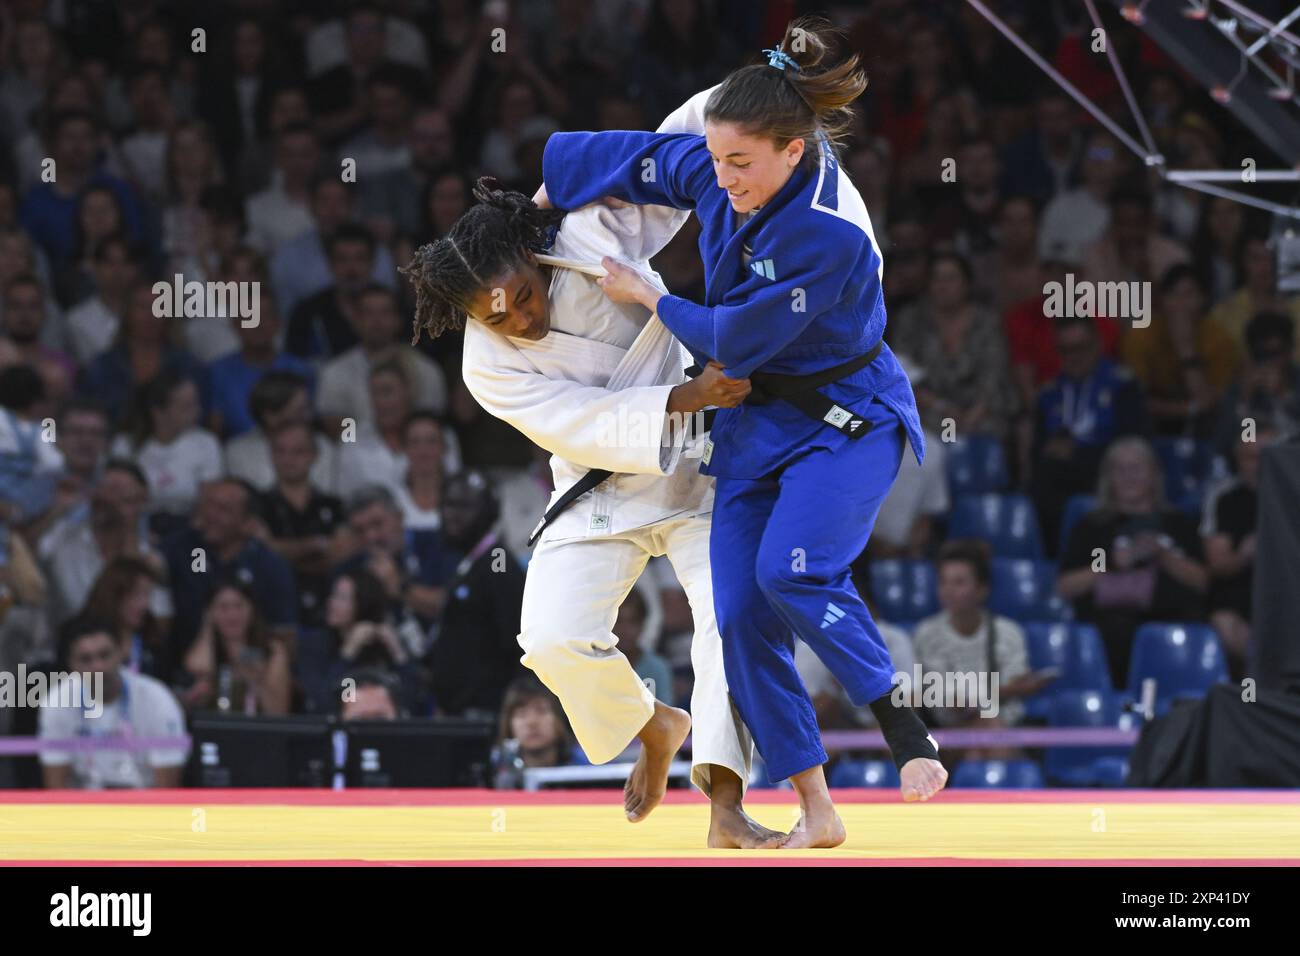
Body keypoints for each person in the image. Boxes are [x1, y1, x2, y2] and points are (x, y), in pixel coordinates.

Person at [537, 19, 947, 846]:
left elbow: (733, 338)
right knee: (738, 613)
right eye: (716, 159)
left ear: (795, 152)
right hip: (759, 422)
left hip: (847, 419)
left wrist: (648, 295)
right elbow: (630, 157)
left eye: (740, 164)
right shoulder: (722, 164)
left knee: (792, 573)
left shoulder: (831, 233)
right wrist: (544, 199)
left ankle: (906, 728)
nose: (722, 180)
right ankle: (816, 808)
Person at [402, 172, 771, 846]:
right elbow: (576, 423)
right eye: (498, 315)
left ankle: (726, 803)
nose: (522, 317)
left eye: (523, 294)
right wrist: (688, 396)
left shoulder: (584, 239)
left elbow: (671, 160)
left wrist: (733, 141)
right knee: (549, 638)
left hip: (700, 469)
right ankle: (653, 724)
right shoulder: (484, 369)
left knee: (729, 622)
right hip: (597, 481)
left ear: (530, 259)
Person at [1057, 436, 1209, 687]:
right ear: (1109, 477)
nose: (1129, 476)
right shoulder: (1091, 526)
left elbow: (1202, 582)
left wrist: (1163, 554)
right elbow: (1065, 586)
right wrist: (1110, 562)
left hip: (1171, 627)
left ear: (1154, 474)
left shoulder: (1177, 522)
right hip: (1107, 631)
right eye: (1120, 469)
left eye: (1137, 468)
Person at [38, 616, 189, 789]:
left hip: (144, 808)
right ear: (71, 664)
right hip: (84, 810)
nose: (98, 667)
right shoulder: (57, 702)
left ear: (121, 652)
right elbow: (56, 790)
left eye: (105, 655)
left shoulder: (157, 700)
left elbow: (167, 792)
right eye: (86, 659)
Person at [425, 469, 526, 717]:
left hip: (486, 715)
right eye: (448, 505)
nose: (452, 515)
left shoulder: (498, 564)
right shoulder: (468, 563)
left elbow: (518, 646)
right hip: (458, 714)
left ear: (490, 512)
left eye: (464, 506)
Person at [181, 579, 293, 715]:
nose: (232, 615)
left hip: (257, 730)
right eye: (223, 607)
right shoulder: (206, 647)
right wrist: (207, 626)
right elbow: (198, 668)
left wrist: (257, 682)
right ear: (210, 612)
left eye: (239, 606)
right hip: (214, 730)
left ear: (251, 609)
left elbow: (279, 712)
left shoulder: (272, 650)